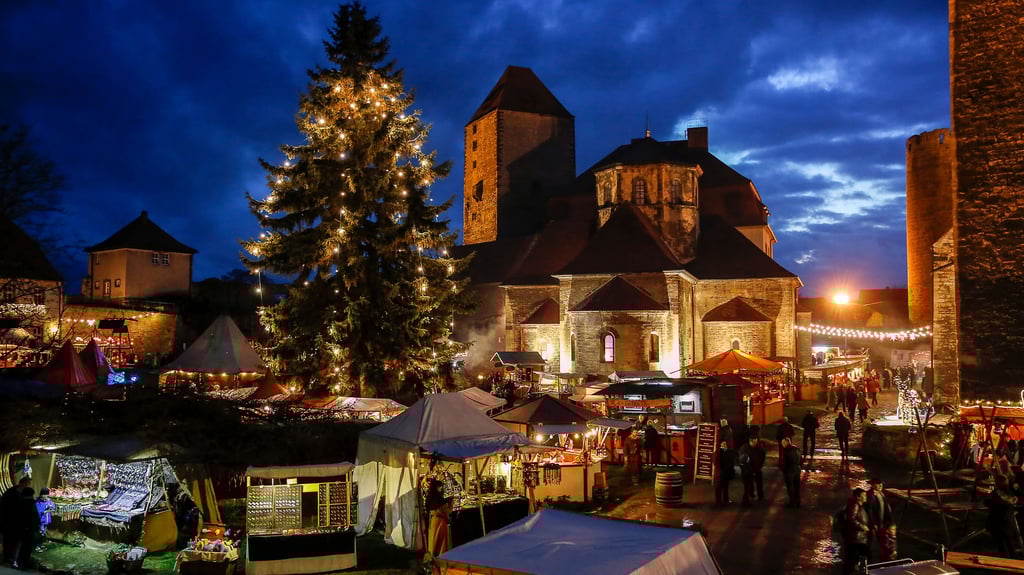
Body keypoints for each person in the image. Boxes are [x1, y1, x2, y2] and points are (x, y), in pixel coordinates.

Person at [987, 474, 1023, 557]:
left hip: (999, 523)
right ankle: (1012, 557)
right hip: (1009, 523)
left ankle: (1006, 558)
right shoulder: (1011, 493)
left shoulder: (997, 494)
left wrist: (987, 502)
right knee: (1009, 542)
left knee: (1002, 544)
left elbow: (993, 505)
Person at [1, 477, 31, 567]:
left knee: (15, 541)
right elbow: (4, 506)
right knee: (9, 540)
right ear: (22, 483)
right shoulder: (11, 493)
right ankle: (8, 558)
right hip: (9, 521)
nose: (29, 485)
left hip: (19, 523)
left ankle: (11, 559)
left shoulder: (24, 494)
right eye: (28, 483)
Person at [866, 479, 896, 561]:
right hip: (874, 524)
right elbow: (869, 511)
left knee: (883, 542)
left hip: (882, 523)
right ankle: (870, 560)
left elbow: (886, 508)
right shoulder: (869, 495)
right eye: (878, 484)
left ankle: (884, 558)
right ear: (872, 485)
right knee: (871, 543)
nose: (880, 486)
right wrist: (873, 523)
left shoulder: (881, 494)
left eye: (881, 484)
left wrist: (890, 522)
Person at [844, 488, 871, 574]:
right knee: (854, 559)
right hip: (856, 538)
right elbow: (851, 519)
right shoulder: (855, 505)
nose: (866, 497)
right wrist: (863, 527)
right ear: (858, 497)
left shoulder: (860, 506)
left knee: (858, 558)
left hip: (860, 538)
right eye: (864, 495)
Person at [739, 436, 767, 505]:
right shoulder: (744, 448)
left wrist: (760, 465)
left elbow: (763, 455)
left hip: (757, 468)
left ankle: (760, 496)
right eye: (754, 442)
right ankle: (749, 497)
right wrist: (744, 468)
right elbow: (741, 459)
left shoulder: (759, 447)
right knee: (748, 485)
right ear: (750, 441)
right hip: (748, 470)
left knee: (759, 483)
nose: (755, 443)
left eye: (756, 442)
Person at [780, 437, 802, 507]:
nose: (782, 444)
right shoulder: (797, 449)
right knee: (797, 486)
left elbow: (784, 463)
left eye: (783, 443)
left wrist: (783, 470)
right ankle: (798, 501)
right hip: (797, 469)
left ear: (787, 442)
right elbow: (801, 459)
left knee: (790, 487)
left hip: (789, 471)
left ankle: (792, 502)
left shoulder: (786, 451)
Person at [715, 441, 736, 506]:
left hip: (725, 471)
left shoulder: (727, 452)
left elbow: (731, 461)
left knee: (725, 486)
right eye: (723, 444)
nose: (724, 445)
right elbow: (716, 462)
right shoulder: (719, 452)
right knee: (719, 486)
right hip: (721, 472)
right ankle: (719, 501)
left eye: (725, 444)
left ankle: (725, 499)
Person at [34, 488, 54, 552]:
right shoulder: (38, 502)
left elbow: (53, 506)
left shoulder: (48, 501)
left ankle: (40, 545)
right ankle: (37, 546)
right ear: (41, 495)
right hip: (40, 521)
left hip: (46, 521)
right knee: (40, 534)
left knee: (43, 533)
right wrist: (45, 511)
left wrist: (51, 507)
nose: (45, 498)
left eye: (47, 496)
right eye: (43, 496)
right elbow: (37, 512)